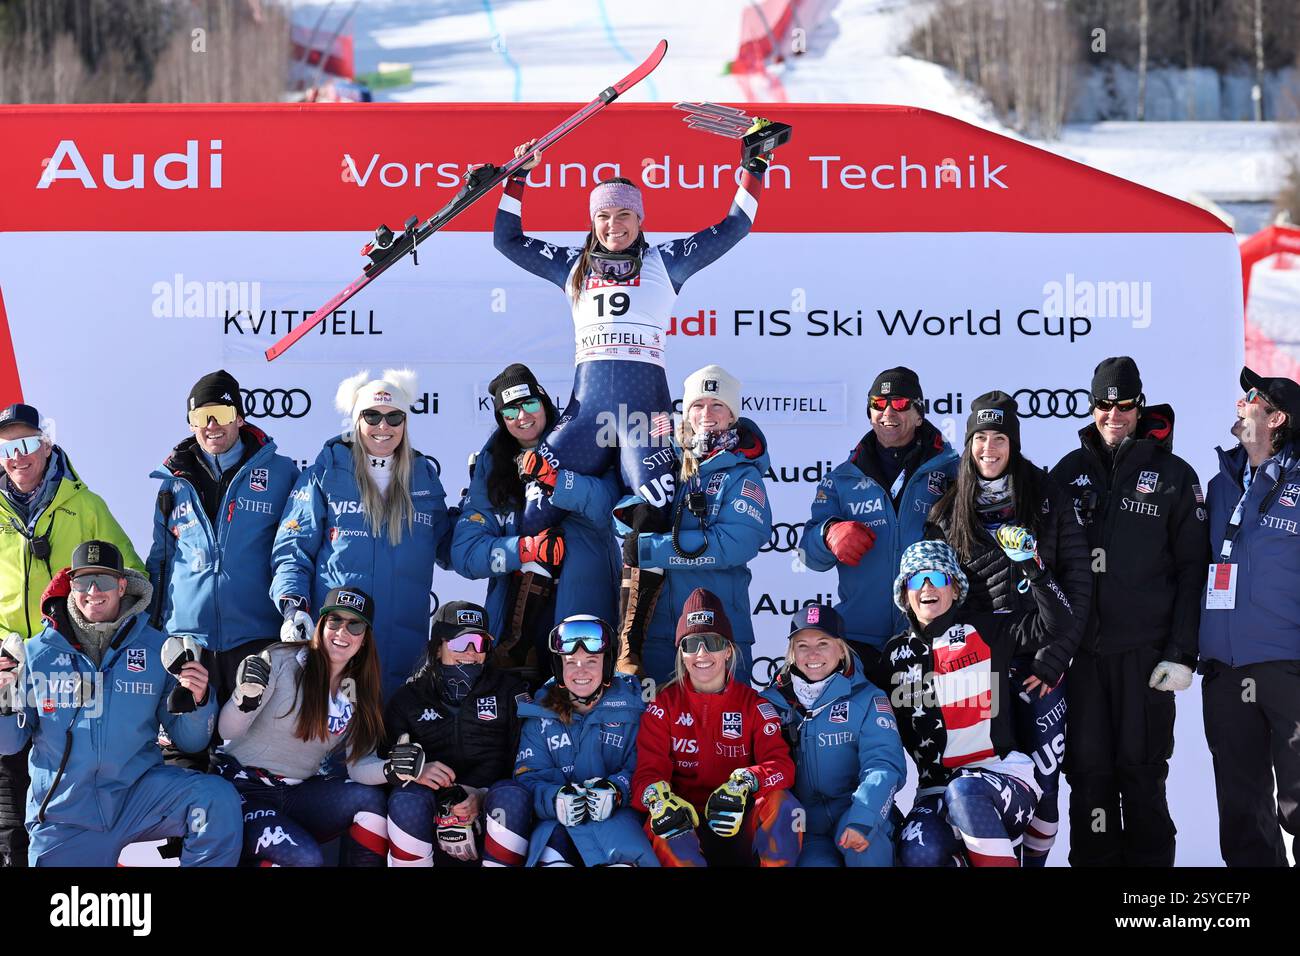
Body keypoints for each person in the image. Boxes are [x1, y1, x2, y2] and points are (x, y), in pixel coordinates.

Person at [493, 133, 774, 664]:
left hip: (649, 418)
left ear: (641, 221)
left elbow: (735, 226)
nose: (614, 226)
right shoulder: (573, 268)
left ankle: (630, 649)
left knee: (654, 515)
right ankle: (515, 652)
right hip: (583, 415)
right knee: (533, 515)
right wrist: (517, 178)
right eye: (605, 217)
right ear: (592, 222)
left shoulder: (666, 263)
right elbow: (508, 240)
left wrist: (755, 164)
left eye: (625, 216)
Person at [1050, 357, 1209, 866]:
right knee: (1089, 777)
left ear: (1140, 408)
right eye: (1104, 404)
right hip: (1083, 660)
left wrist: (1182, 652)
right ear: (1091, 405)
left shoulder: (1174, 476)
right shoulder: (1068, 473)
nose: (1113, 415)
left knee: (1142, 776)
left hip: (1146, 656)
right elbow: (1041, 565)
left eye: (1124, 405)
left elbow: (1193, 571)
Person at [925, 390, 1091, 865]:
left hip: (1043, 662)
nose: (989, 449)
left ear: (1013, 444)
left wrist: (1055, 656)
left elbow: (1078, 586)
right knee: (986, 782)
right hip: (979, 669)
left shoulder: (1047, 497)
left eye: (1000, 438)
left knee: (1043, 787)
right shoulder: (946, 509)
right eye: (981, 438)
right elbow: (939, 601)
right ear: (969, 443)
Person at [0, 539, 240, 866]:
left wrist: (199, 699)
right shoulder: (35, 655)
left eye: (105, 580)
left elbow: (191, 739)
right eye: (84, 580)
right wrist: (4, 697)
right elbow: (8, 743)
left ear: (122, 584)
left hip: (138, 797)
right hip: (67, 814)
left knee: (216, 798)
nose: (94, 590)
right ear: (71, 585)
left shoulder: (158, 650)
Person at [0, 402, 144, 867]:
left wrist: (92, 640)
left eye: (25, 444)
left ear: (46, 445)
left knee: (59, 798)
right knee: (7, 793)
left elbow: (135, 579)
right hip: (7, 669)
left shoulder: (86, 507)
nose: (16, 457)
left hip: (68, 672)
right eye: (5, 447)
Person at [874, 540, 1075, 867]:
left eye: (938, 578)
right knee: (918, 851)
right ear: (904, 595)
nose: (927, 587)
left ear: (954, 589)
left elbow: (1060, 624)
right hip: (934, 793)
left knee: (965, 793)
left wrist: (1034, 570)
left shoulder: (986, 629)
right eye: (916, 580)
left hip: (1001, 776)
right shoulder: (893, 656)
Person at [271, 369, 451, 696]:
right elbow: (292, 550)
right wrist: (293, 607)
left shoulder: (424, 479)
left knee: (394, 740)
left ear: (405, 423)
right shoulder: (324, 474)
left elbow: (450, 547)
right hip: (340, 646)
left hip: (404, 652)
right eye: (372, 416)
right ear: (356, 421)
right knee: (334, 739)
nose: (383, 426)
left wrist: (482, 514)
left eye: (394, 417)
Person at [450, 364, 619, 682]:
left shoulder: (585, 447)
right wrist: (525, 549)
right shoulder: (491, 468)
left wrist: (558, 480)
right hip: (518, 628)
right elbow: (466, 555)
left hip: (584, 608)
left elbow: (607, 508)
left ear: (544, 402)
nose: (522, 416)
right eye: (510, 411)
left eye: (529, 404)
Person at [148, 370, 299, 709]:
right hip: (187, 642)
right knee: (188, 747)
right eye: (202, 416)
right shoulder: (173, 482)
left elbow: (294, 550)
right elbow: (161, 558)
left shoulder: (281, 473)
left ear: (241, 418)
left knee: (250, 751)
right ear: (190, 423)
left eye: (223, 413)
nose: (212, 424)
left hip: (256, 638)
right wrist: (152, 628)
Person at [1198, 367, 1300, 866]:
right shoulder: (1219, 484)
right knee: (1242, 813)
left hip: (1289, 668)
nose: (1241, 403)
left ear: (1276, 417)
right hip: (1225, 672)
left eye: (1251, 397)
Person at [215, 586, 391, 866]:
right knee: (306, 858)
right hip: (243, 791)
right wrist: (243, 698)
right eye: (335, 621)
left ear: (365, 639)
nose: (342, 632)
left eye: (354, 625)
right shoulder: (283, 658)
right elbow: (227, 732)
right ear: (321, 625)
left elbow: (358, 767)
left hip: (297, 792)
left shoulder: (356, 691)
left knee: (369, 800)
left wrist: (393, 769)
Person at [617, 365, 771, 684]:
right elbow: (620, 513)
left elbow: (734, 543)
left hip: (721, 634)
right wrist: (633, 516)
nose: (707, 414)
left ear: (732, 416)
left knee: (725, 731)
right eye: (698, 405)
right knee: (655, 731)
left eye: (718, 405)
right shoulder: (662, 459)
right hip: (658, 634)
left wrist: (649, 549)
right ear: (686, 413)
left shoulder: (743, 473)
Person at [799, 367, 959, 668]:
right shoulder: (842, 479)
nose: (887, 412)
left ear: (919, 413)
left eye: (899, 404)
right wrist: (828, 534)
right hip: (860, 639)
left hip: (931, 634)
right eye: (877, 403)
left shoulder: (953, 471)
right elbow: (809, 556)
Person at [631, 589, 801, 867]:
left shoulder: (754, 705)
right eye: (692, 643)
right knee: (662, 821)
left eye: (711, 642)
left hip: (738, 824)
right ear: (682, 653)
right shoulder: (662, 707)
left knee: (784, 805)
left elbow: (782, 766)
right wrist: (657, 799)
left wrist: (746, 781)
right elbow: (646, 775)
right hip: (685, 826)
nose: (702, 653)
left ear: (728, 650)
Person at [383, 601, 534, 867]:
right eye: (459, 642)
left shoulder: (511, 693)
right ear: (437, 646)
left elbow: (526, 763)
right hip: (429, 816)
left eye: (480, 642)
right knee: (406, 799)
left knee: (512, 793)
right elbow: (385, 767)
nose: (471, 653)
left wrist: (482, 795)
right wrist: (418, 774)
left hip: (494, 815)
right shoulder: (407, 699)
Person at [762, 603, 905, 867]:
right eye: (802, 645)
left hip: (856, 810)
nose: (812, 653)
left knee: (866, 847)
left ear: (841, 649)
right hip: (806, 826)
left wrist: (864, 817)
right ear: (792, 652)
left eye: (823, 643)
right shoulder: (771, 704)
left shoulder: (868, 698)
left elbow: (884, 765)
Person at [512, 615, 657, 866]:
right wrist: (554, 799)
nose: (581, 671)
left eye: (591, 661)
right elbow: (527, 779)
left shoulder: (636, 708)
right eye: (571, 662)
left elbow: (646, 768)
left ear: (607, 664)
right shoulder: (539, 715)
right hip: (556, 828)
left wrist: (617, 790)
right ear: (559, 667)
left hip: (620, 828)